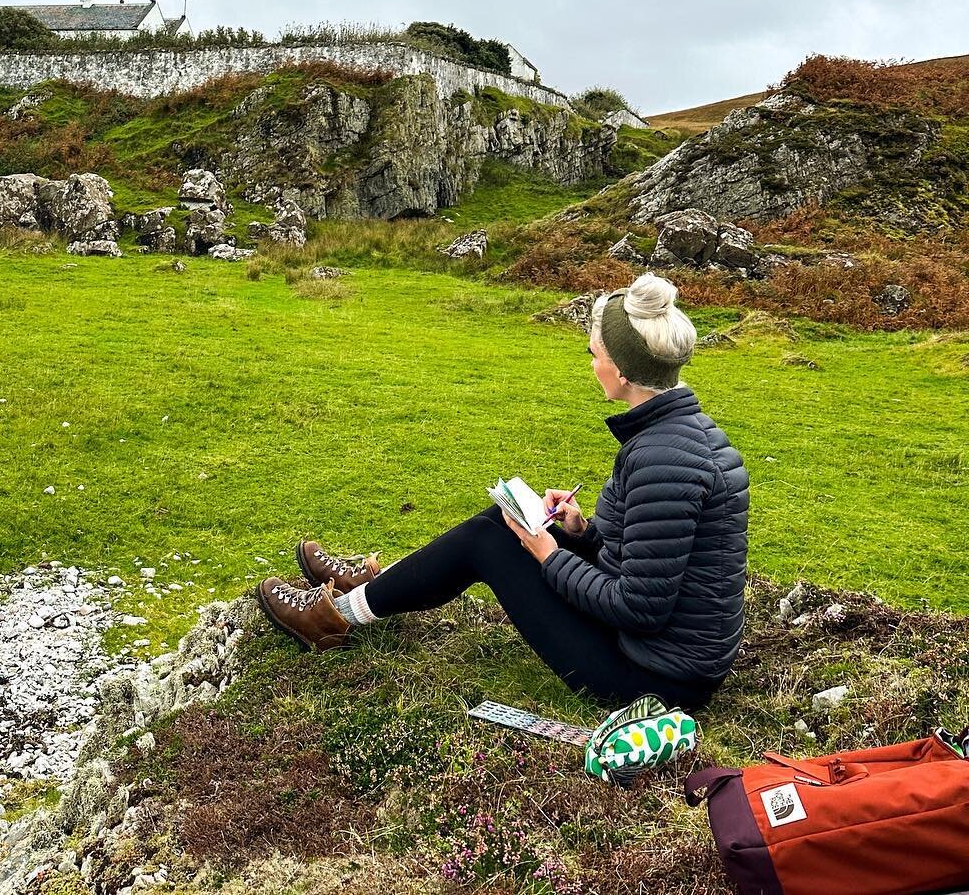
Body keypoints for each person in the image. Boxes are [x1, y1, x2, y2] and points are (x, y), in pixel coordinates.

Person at [256, 273, 749, 710]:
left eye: (594, 354)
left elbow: (640, 606)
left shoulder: (663, 458)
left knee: (489, 541)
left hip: (653, 680)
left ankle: (335, 617)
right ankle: (362, 591)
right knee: (499, 522)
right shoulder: (682, 436)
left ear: (621, 370)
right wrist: (583, 532)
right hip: (667, 656)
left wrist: (551, 554)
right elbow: (650, 560)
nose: (591, 363)